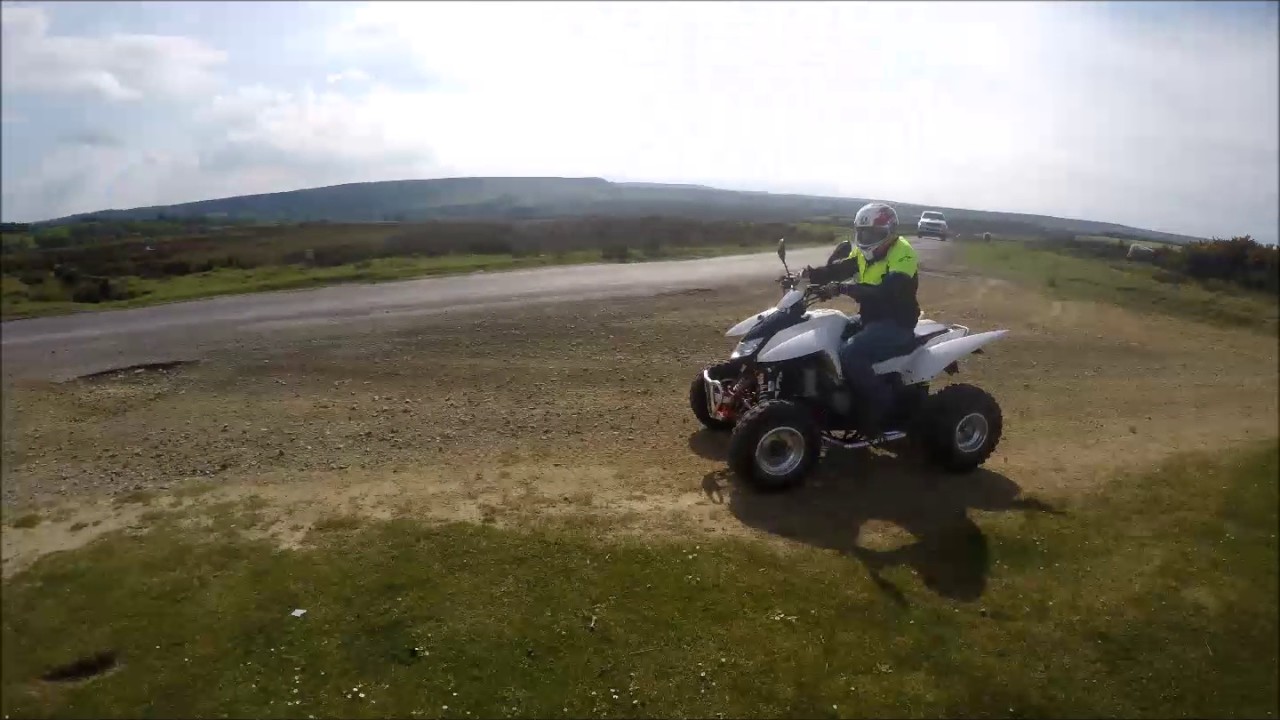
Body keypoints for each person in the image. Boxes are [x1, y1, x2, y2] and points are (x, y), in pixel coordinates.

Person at [804, 202, 921, 438]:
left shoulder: (903, 254)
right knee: (824, 336)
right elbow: (840, 269)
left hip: (897, 324)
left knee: (851, 354)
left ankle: (879, 408)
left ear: (889, 233)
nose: (867, 237)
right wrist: (808, 276)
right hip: (870, 319)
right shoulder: (862, 252)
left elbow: (885, 291)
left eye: (873, 233)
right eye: (863, 232)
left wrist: (843, 289)